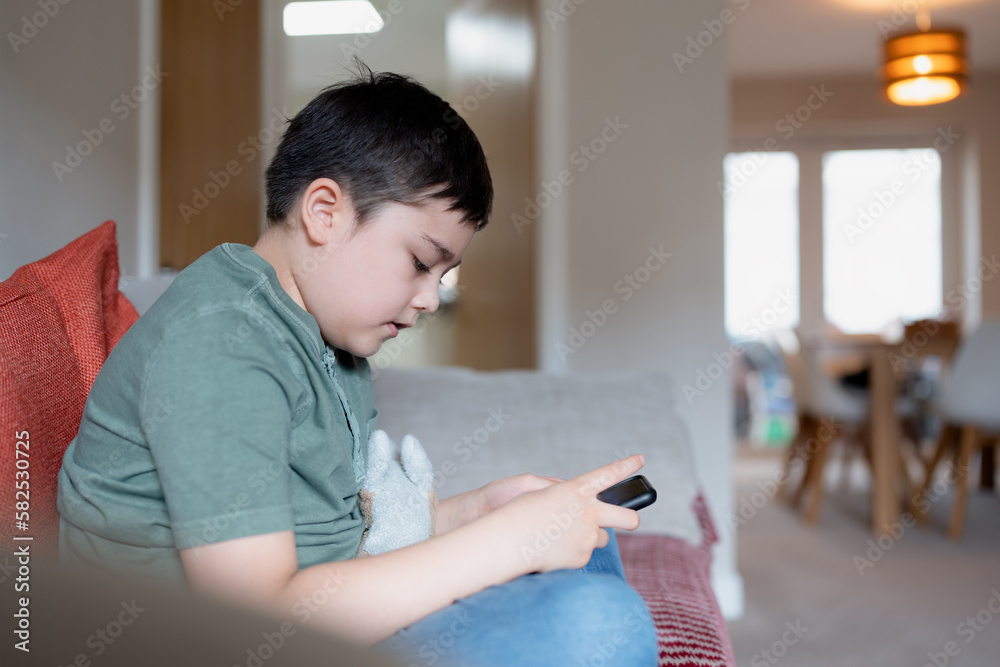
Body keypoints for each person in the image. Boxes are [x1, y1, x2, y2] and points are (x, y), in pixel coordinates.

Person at [57, 63, 657, 666]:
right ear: (325, 212)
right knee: (597, 620)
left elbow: (339, 533)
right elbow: (252, 623)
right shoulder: (223, 343)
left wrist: (475, 513)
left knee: (587, 540)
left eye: (443, 276)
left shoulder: (325, 337)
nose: (429, 298)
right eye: (421, 262)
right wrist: (505, 545)